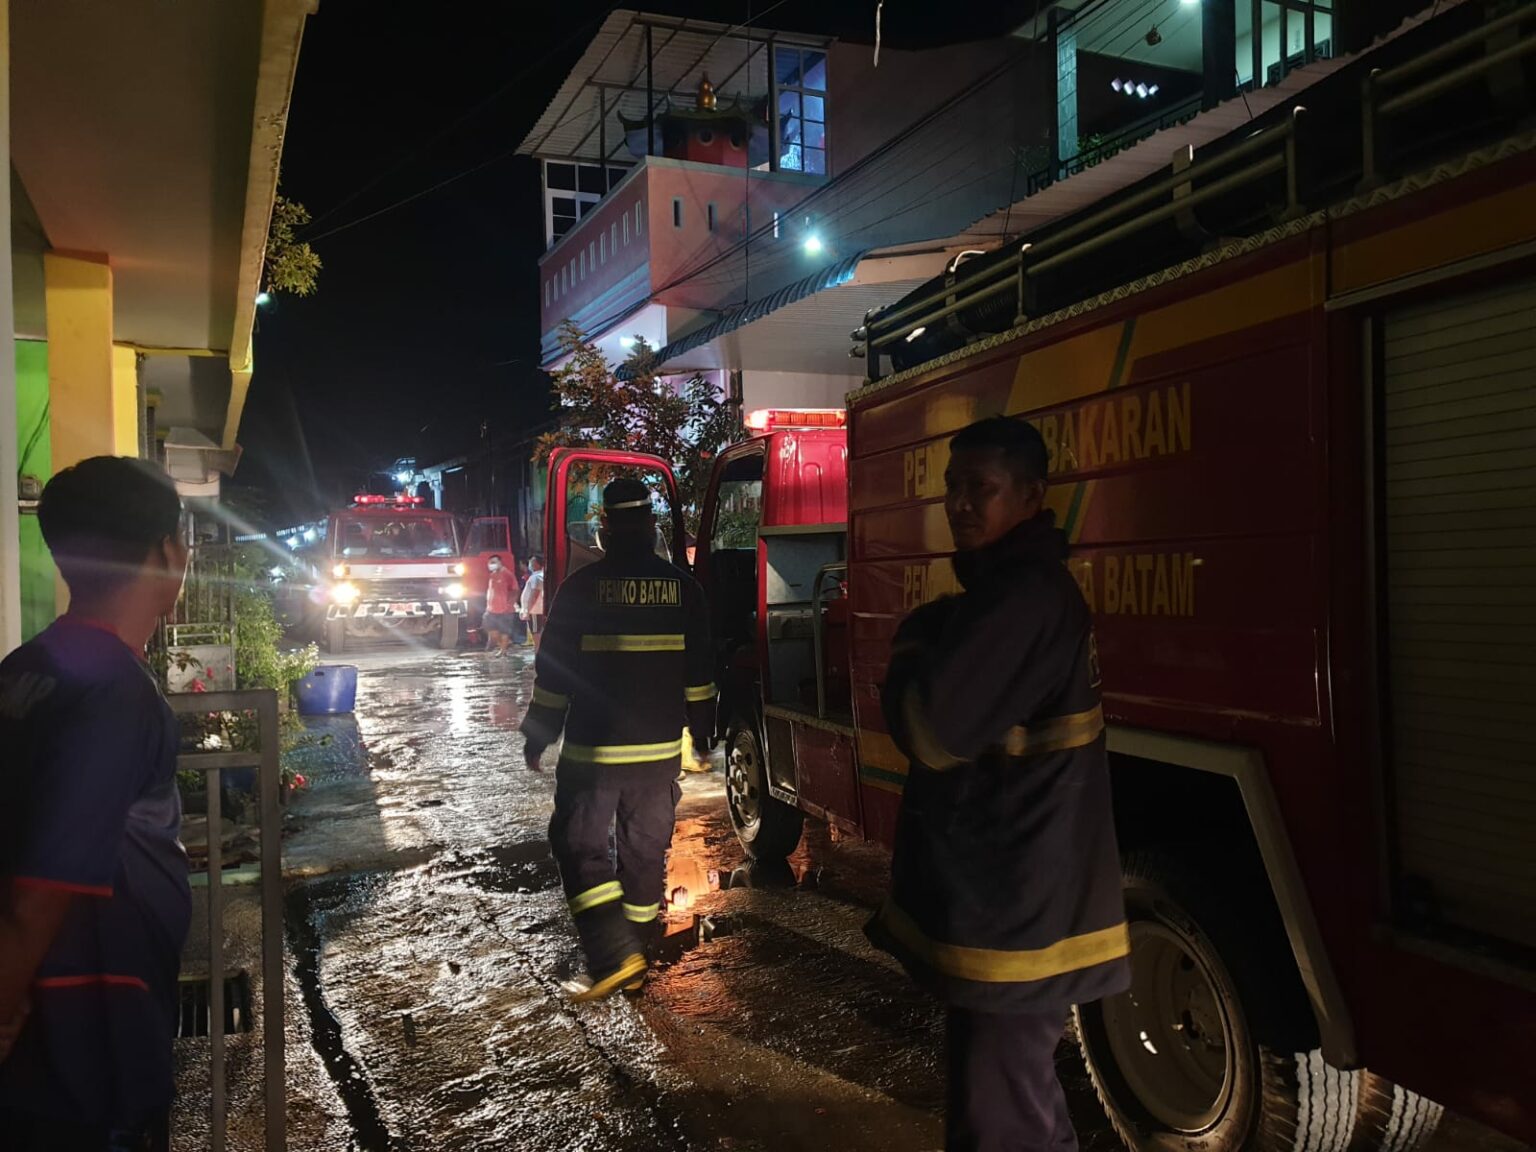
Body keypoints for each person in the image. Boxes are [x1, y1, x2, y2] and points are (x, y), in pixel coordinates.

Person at [866, 417, 1130, 1152]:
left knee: (1000, 1120)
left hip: (1019, 907)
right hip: (1018, 898)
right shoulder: (1006, 593)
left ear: (1031, 495)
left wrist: (917, 642)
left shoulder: (1023, 600)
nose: (958, 503)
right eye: (952, 487)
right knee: (1012, 1105)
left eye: (979, 488)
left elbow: (929, 730)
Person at [0, 456, 194, 1151]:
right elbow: (41, 892)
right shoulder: (115, 694)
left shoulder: (24, 669)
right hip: (86, 1050)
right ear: (167, 551)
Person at [520, 479, 715, 1002]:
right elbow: (700, 671)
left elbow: (554, 672)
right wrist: (701, 732)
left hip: (594, 756)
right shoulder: (684, 589)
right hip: (656, 758)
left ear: (604, 530)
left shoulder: (581, 589)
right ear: (652, 527)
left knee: (580, 846)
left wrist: (539, 733)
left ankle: (614, 954)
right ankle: (640, 955)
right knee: (645, 853)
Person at [481, 554, 520, 659]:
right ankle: (504, 645)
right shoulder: (492, 575)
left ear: (500, 562)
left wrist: (509, 604)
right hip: (491, 609)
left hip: (505, 610)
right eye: (490, 563)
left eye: (494, 562)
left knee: (504, 631)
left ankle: (503, 651)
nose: (491, 565)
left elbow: (515, 590)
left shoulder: (507, 574)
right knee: (491, 630)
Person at [518, 554, 545, 649]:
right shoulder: (538, 575)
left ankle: (538, 653)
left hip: (534, 610)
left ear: (537, 564)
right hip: (535, 609)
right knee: (536, 631)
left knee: (535, 633)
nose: (530, 564)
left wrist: (527, 611)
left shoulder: (537, 577)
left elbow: (534, 595)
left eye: (532, 562)